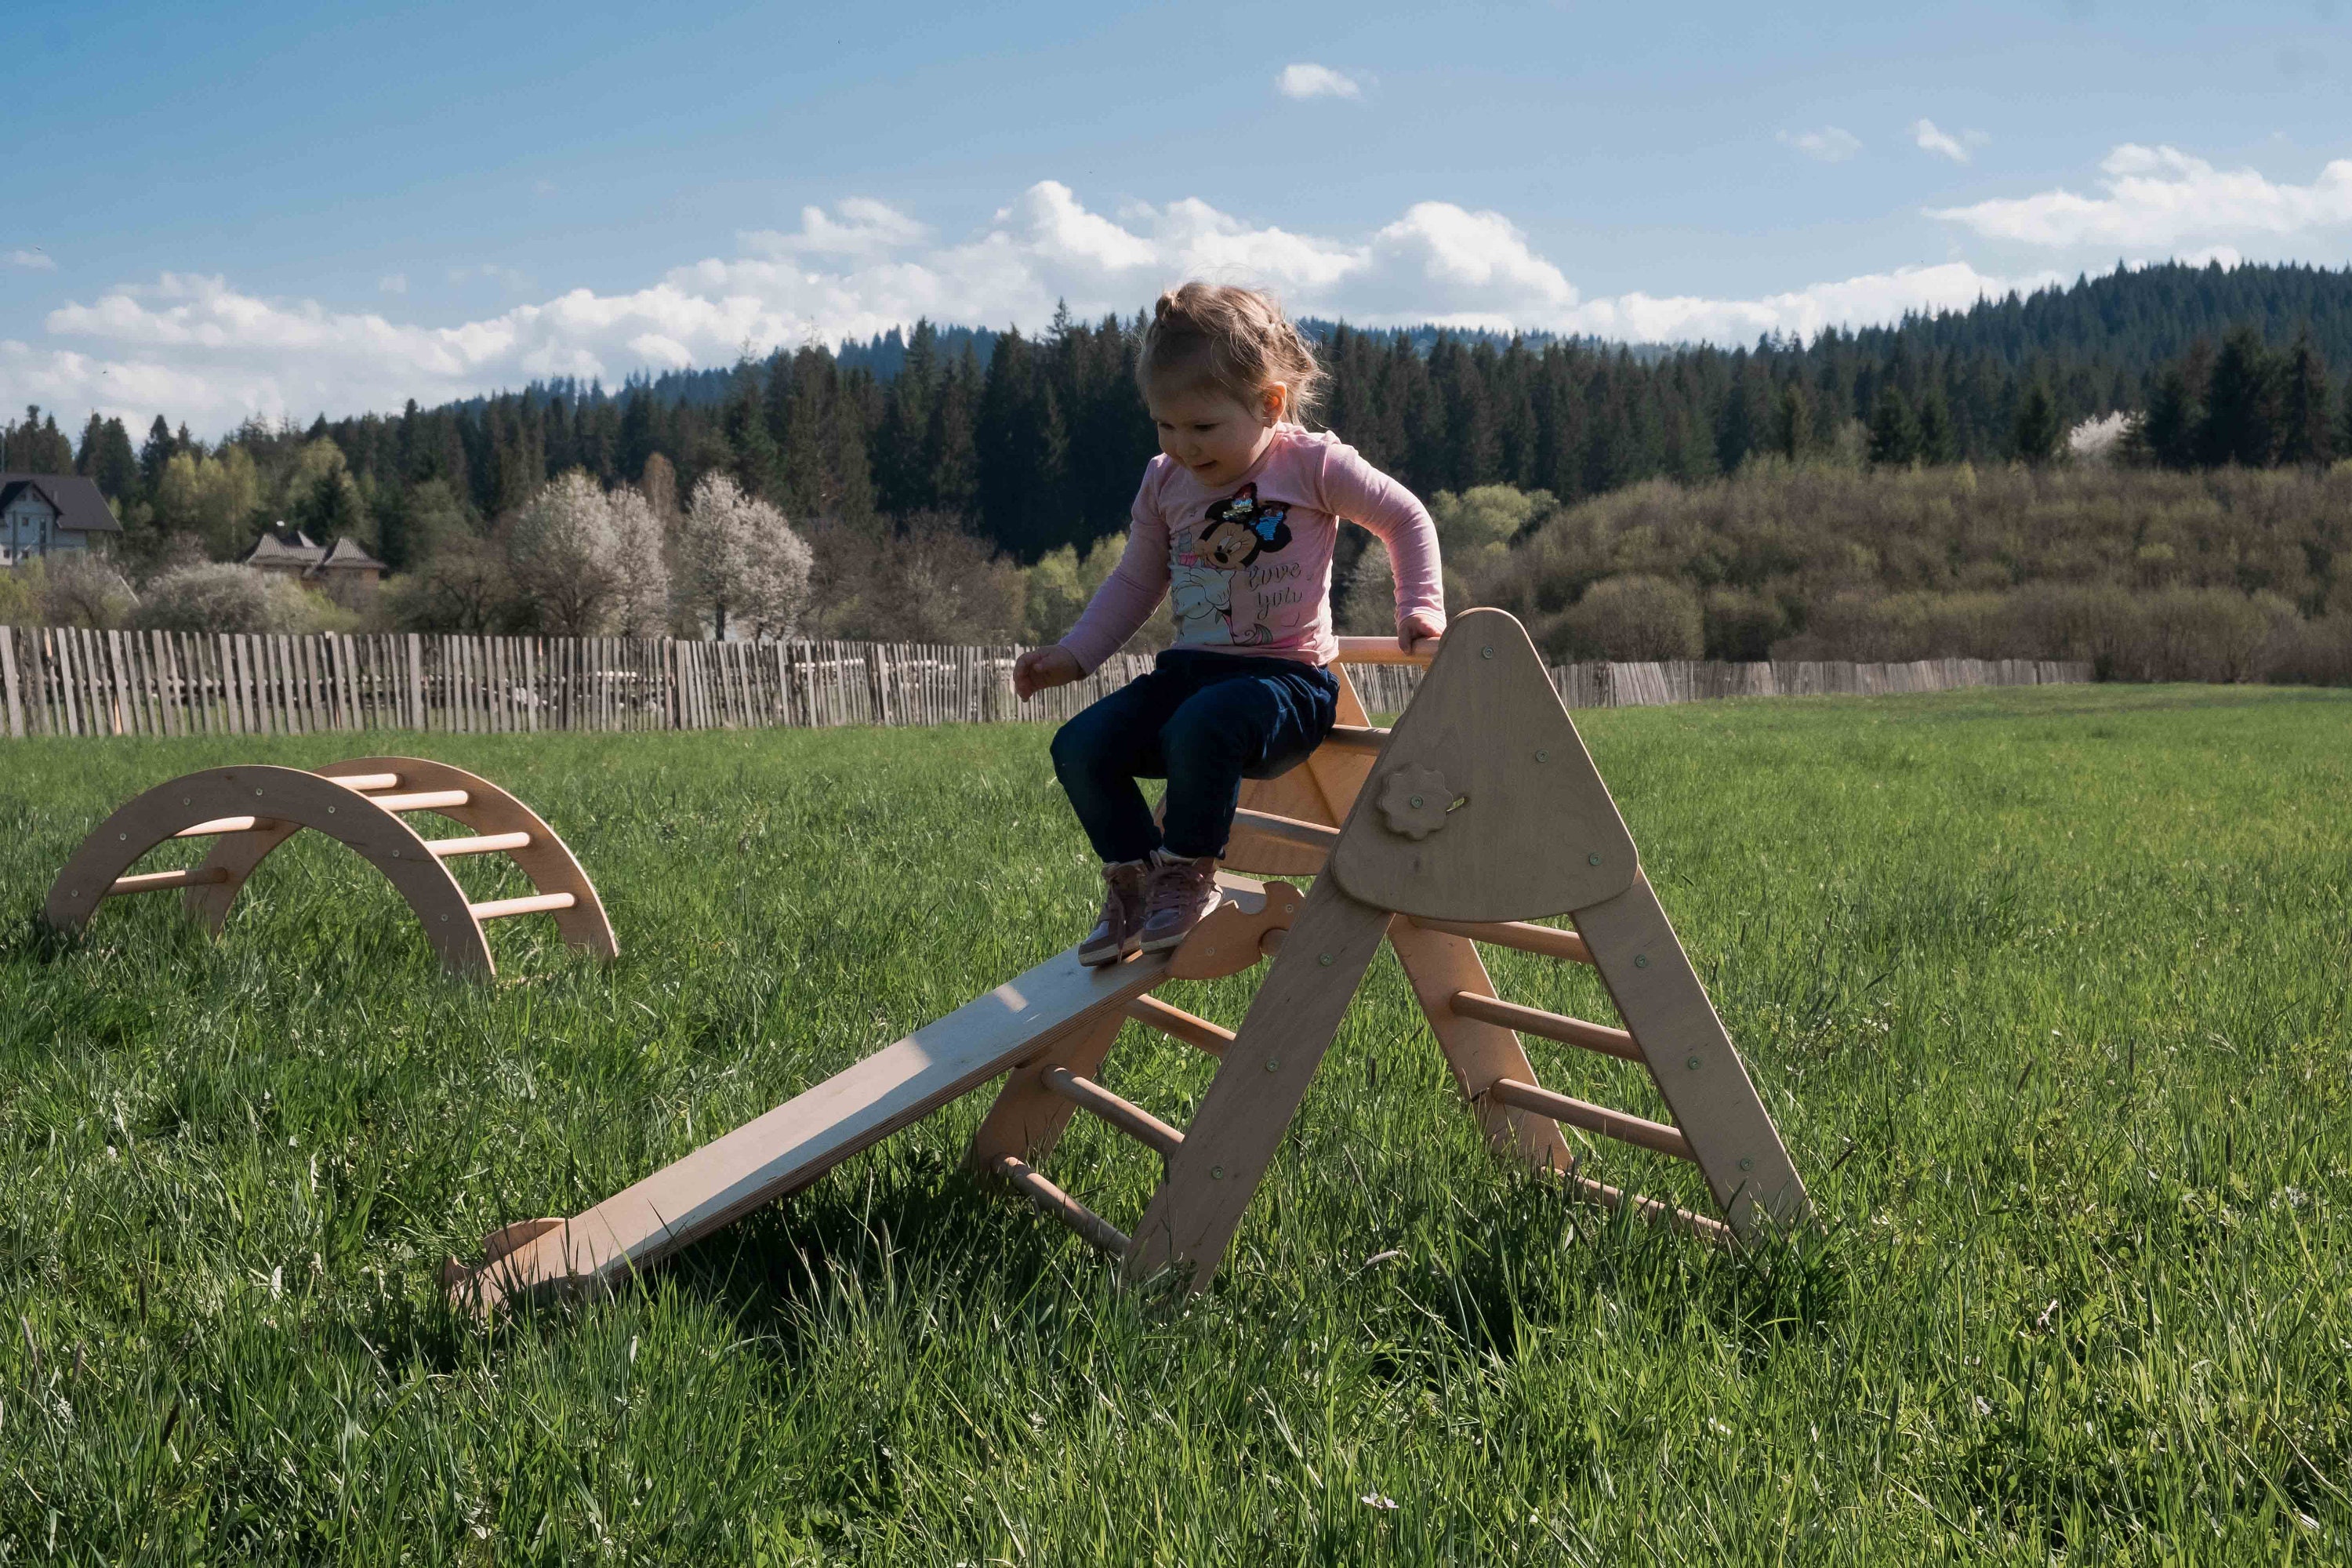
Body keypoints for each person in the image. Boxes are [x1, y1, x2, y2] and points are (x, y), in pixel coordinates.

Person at [1014, 282, 1446, 965]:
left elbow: (1405, 518)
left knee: (1206, 721)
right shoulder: (1164, 482)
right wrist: (1075, 655)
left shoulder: (1311, 464)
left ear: (1269, 403)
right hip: (1190, 676)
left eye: (1203, 427)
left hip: (1286, 687)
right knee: (1080, 746)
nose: (1183, 445)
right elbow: (1135, 580)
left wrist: (1419, 610)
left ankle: (1192, 877)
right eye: (1166, 425)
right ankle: (1136, 882)